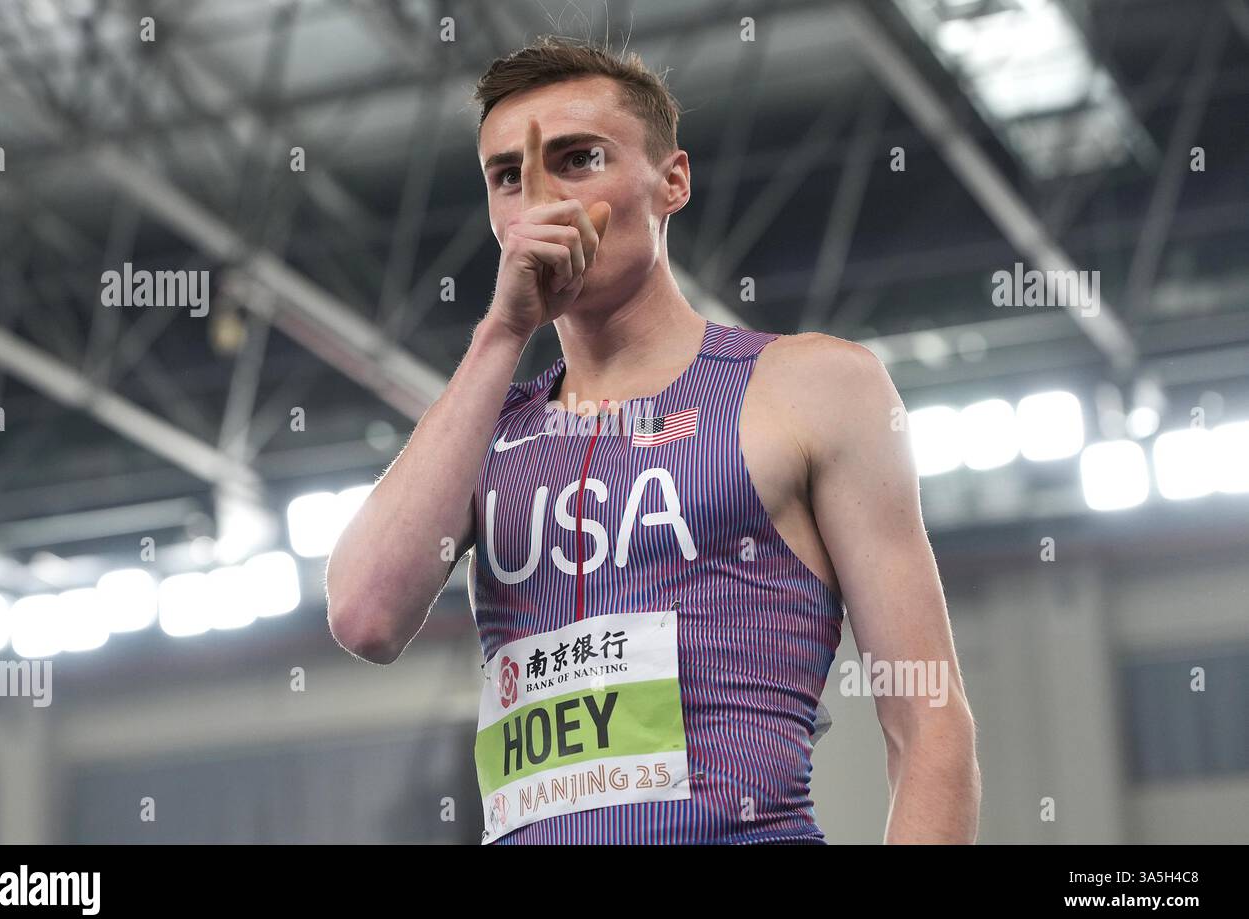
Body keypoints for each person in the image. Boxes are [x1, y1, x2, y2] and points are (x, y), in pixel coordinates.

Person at [327, 36, 979, 844]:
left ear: (672, 181)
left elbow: (931, 730)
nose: (540, 198)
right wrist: (503, 330)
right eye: (507, 177)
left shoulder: (812, 387)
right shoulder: (484, 432)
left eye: (578, 159)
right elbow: (364, 617)